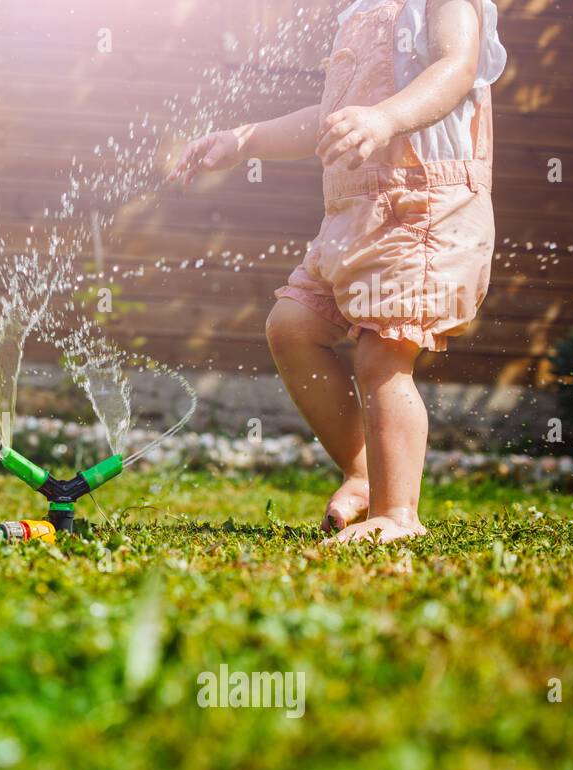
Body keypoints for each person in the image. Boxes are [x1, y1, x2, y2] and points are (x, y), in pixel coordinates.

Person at [170, 0, 506, 543]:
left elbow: (456, 68)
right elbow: (329, 119)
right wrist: (245, 140)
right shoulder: (359, 12)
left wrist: (384, 118)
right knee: (292, 327)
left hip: (422, 208)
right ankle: (364, 474)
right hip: (352, 215)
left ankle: (397, 515)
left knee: (383, 356)